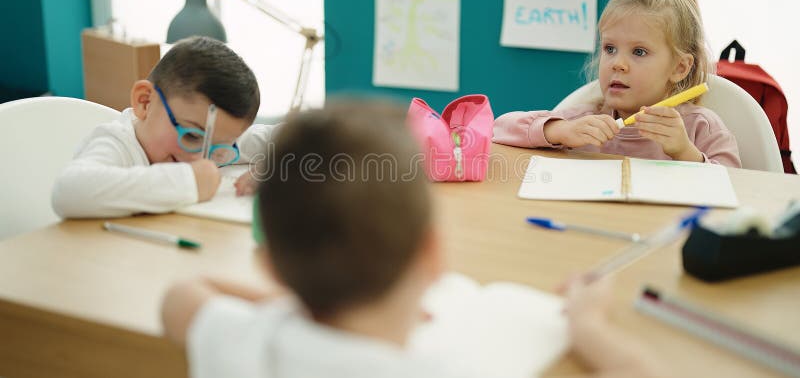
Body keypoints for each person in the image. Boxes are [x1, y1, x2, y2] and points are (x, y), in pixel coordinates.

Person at [161, 101, 665, 378]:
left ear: (268, 263)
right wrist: (587, 324)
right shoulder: (451, 368)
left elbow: (181, 296)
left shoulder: (249, 342)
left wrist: (302, 301)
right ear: (432, 254)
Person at [494, 0, 741, 167]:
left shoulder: (699, 127)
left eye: (639, 52)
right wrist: (559, 131)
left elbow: (737, 189)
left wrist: (685, 153)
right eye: (610, 48)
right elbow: (496, 131)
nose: (617, 64)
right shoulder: (584, 121)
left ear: (680, 68)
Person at [51, 36, 275, 218]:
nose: (200, 158)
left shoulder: (217, 141)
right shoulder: (117, 143)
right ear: (145, 102)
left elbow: (298, 141)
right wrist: (189, 181)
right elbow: (68, 191)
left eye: (218, 150)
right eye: (191, 136)